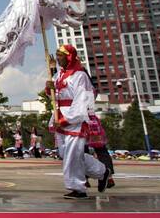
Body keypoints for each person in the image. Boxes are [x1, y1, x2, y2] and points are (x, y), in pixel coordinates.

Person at [49, 44, 108, 197]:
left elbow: (82, 100)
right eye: (57, 55)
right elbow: (55, 96)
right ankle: (102, 171)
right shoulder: (58, 75)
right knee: (66, 153)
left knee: (73, 154)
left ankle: (78, 188)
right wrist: (49, 88)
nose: (58, 58)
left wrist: (67, 119)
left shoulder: (80, 75)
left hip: (74, 119)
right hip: (59, 115)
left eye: (61, 55)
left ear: (69, 57)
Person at [85, 113, 116, 188]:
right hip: (93, 124)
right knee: (101, 151)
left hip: (81, 122)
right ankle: (109, 178)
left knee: (81, 152)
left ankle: (83, 179)